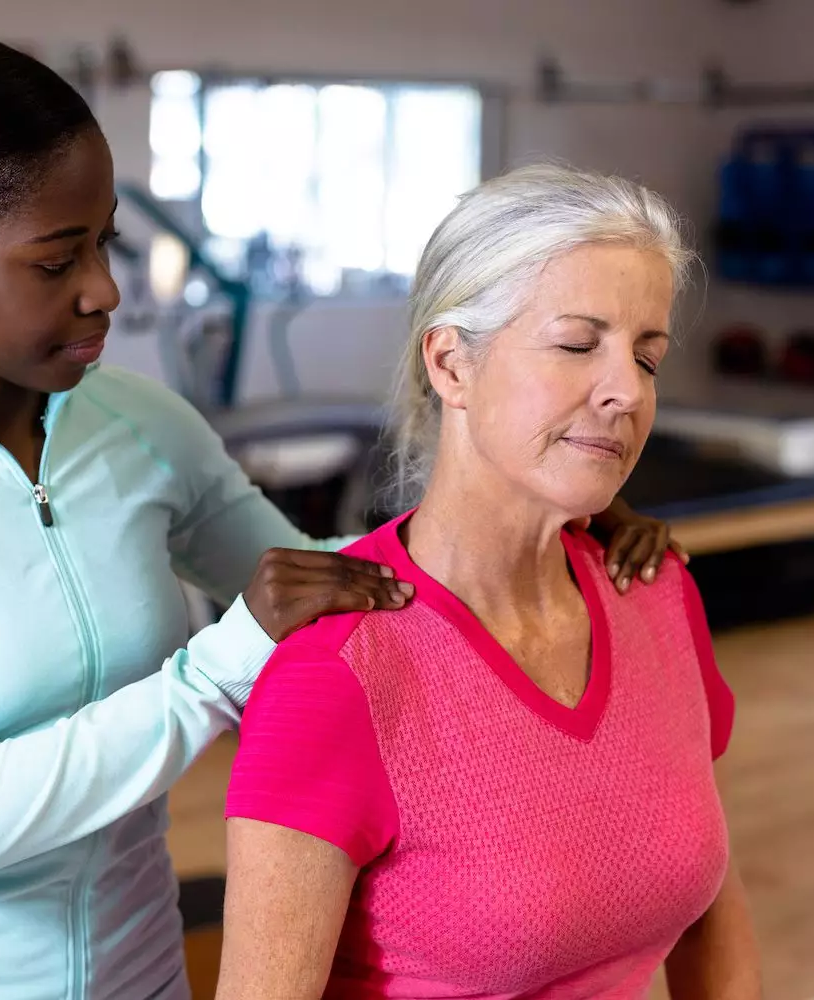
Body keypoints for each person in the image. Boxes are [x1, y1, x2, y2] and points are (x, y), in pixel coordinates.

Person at [0, 34, 692, 1000]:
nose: (104, 289)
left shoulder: (140, 424)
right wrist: (215, 670)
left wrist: (547, 517)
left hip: (143, 974)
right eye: (57, 259)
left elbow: (346, 580)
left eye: (104, 241)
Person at [217, 164, 763, 1000]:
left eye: (646, 358)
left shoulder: (654, 590)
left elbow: (711, 901)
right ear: (451, 364)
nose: (626, 391)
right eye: (579, 344)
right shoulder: (337, 676)